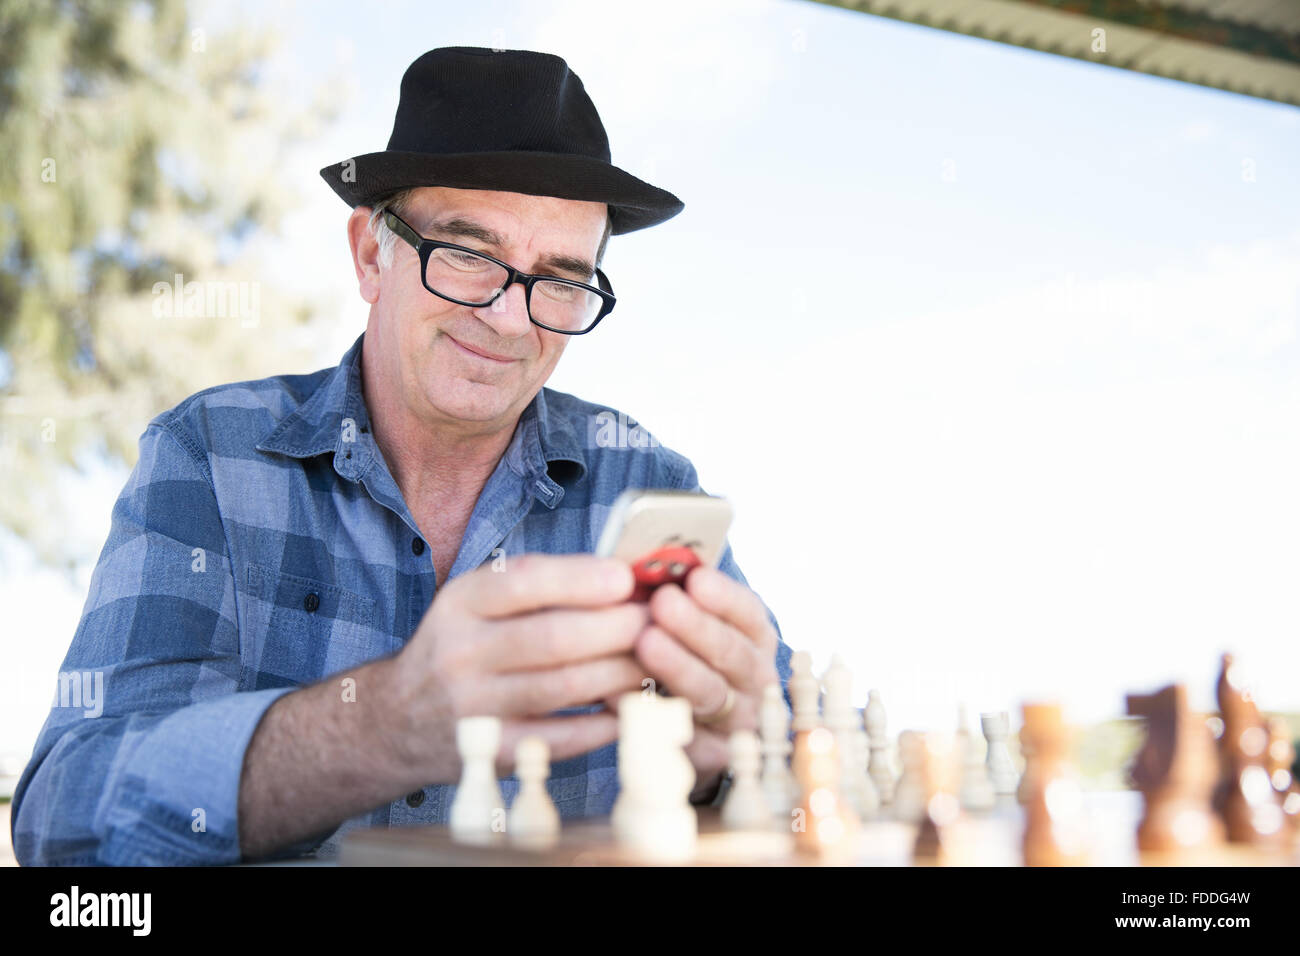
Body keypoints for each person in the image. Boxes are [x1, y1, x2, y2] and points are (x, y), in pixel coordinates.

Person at [12, 46, 791, 865]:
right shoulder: (209, 456)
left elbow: (797, 775)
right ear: (371, 255)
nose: (511, 321)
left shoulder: (647, 482)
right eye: (468, 254)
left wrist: (731, 767)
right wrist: (381, 727)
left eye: (561, 279)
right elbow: (64, 824)